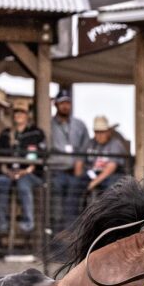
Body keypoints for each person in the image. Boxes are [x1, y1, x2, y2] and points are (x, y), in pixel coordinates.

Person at [0, 97, 47, 236]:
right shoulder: (6, 133)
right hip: (9, 173)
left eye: (22, 112)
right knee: (1, 182)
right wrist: (7, 171)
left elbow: (41, 156)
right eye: (16, 112)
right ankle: (2, 224)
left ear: (27, 114)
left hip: (31, 174)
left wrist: (25, 172)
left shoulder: (36, 132)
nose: (18, 115)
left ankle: (28, 224)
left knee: (23, 184)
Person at [49, 88, 90, 232]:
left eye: (67, 103)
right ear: (55, 104)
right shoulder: (48, 124)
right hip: (56, 171)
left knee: (75, 197)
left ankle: (71, 232)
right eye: (62, 103)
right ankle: (56, 231)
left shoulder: (80, 124)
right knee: (56, 198)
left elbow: (85, 147)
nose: (65, 106)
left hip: (76, 170)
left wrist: (79, 163)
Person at [77, 116, 127, 198]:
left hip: (112, 176)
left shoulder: (115, 144)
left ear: (108, 132)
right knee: (76, 183)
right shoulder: (90, 143)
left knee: (111, 186)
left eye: (102, 132)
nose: (99, 135)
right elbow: (80, 161)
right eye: (97, 132)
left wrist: (94, 183)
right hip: (92, 174)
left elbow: (111, 167)